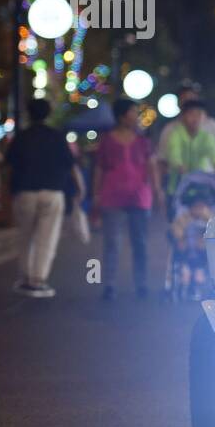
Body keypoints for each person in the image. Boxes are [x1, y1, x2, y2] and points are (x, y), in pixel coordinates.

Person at [6, 97, 85, 297]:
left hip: (24, 191)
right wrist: (80, 188)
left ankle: (25, 277)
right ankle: (38, 279)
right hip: (52, 191)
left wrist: (5, 191)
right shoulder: (57, 137)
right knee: (46, 238)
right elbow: (71, 164)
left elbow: (8, 166)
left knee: (25, 236)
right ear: (48, 114)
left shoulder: (21, 137)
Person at [92, 99, 162, 300]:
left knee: (139, 242)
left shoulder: (143, 141)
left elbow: (151, 166)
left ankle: (141, 284)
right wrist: (95, 194)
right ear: (122, 116)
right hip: (111, 196)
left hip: (139, 197)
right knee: (112, 243)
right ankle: (110, 285)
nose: (135, 116)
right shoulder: (107, 141)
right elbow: (99, 168)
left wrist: (157, 191)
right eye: (132, 112)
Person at [160, 99, 215, 203]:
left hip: (201, 188)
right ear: (183, 117)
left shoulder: (206, 137)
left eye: (199, 114)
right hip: (178, 188)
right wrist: (180, 166)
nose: (195, 118)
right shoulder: (175, 135)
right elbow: (174, 155)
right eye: (191, 114)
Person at [159, 82, 215, 159]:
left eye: (191, 97)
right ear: (178, 102)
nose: (188, 101)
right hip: (179, 171)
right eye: (184, 98)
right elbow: (162, 158)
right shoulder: (170, 129)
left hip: (209, 170)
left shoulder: (211, 124)